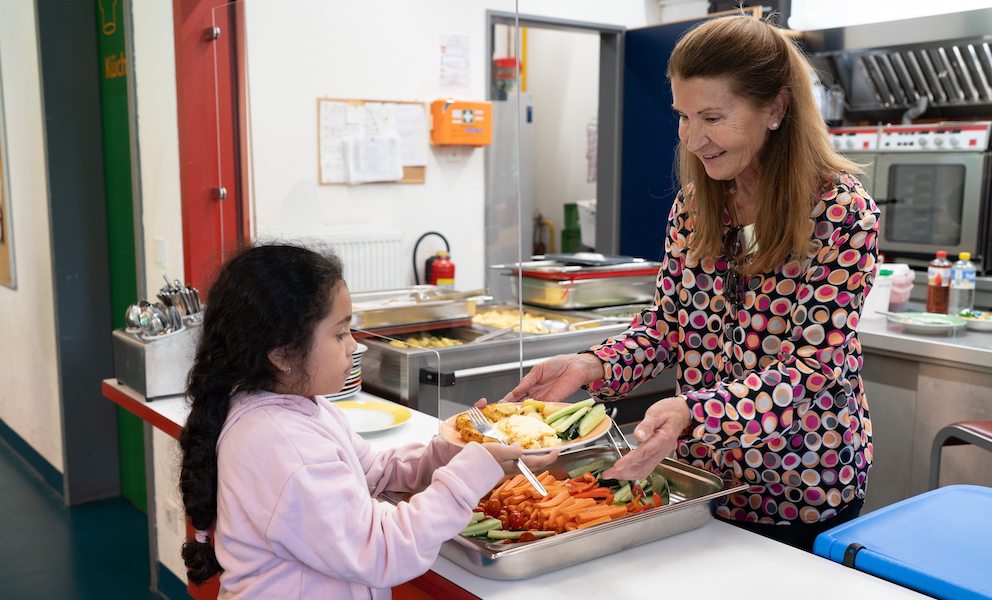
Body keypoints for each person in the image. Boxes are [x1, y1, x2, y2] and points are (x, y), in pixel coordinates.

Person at [500, 15, 878, 552]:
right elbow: (669, 326)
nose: (693, 138)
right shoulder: (697, 206)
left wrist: (695, 412)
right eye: (683, 116)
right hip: (700, 479)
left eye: (713, 117)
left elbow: (814, 369)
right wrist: (592, 365)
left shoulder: (841, 213)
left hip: (800, 484)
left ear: (776, 108)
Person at [178, 243, 556, 598]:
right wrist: (473, 471)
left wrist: (454, 449)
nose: (354, 345)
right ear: (282, 353)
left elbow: (370, 471)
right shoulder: (281, 445)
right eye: (340, 333)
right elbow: (382, 550)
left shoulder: (304, 406)